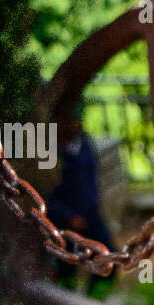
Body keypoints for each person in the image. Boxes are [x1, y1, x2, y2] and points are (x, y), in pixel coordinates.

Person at [44, 103, 113, 285]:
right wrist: (68, 216)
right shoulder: (52, 154)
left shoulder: (84, 145)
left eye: (74, 121)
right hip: (67, 218)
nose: (72, 125)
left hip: (90, 212)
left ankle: (98, 291)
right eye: (67, 122)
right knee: (67, 265)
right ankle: (67, 292)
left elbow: (91, 179)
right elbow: (47, 194)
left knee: (107, 255)